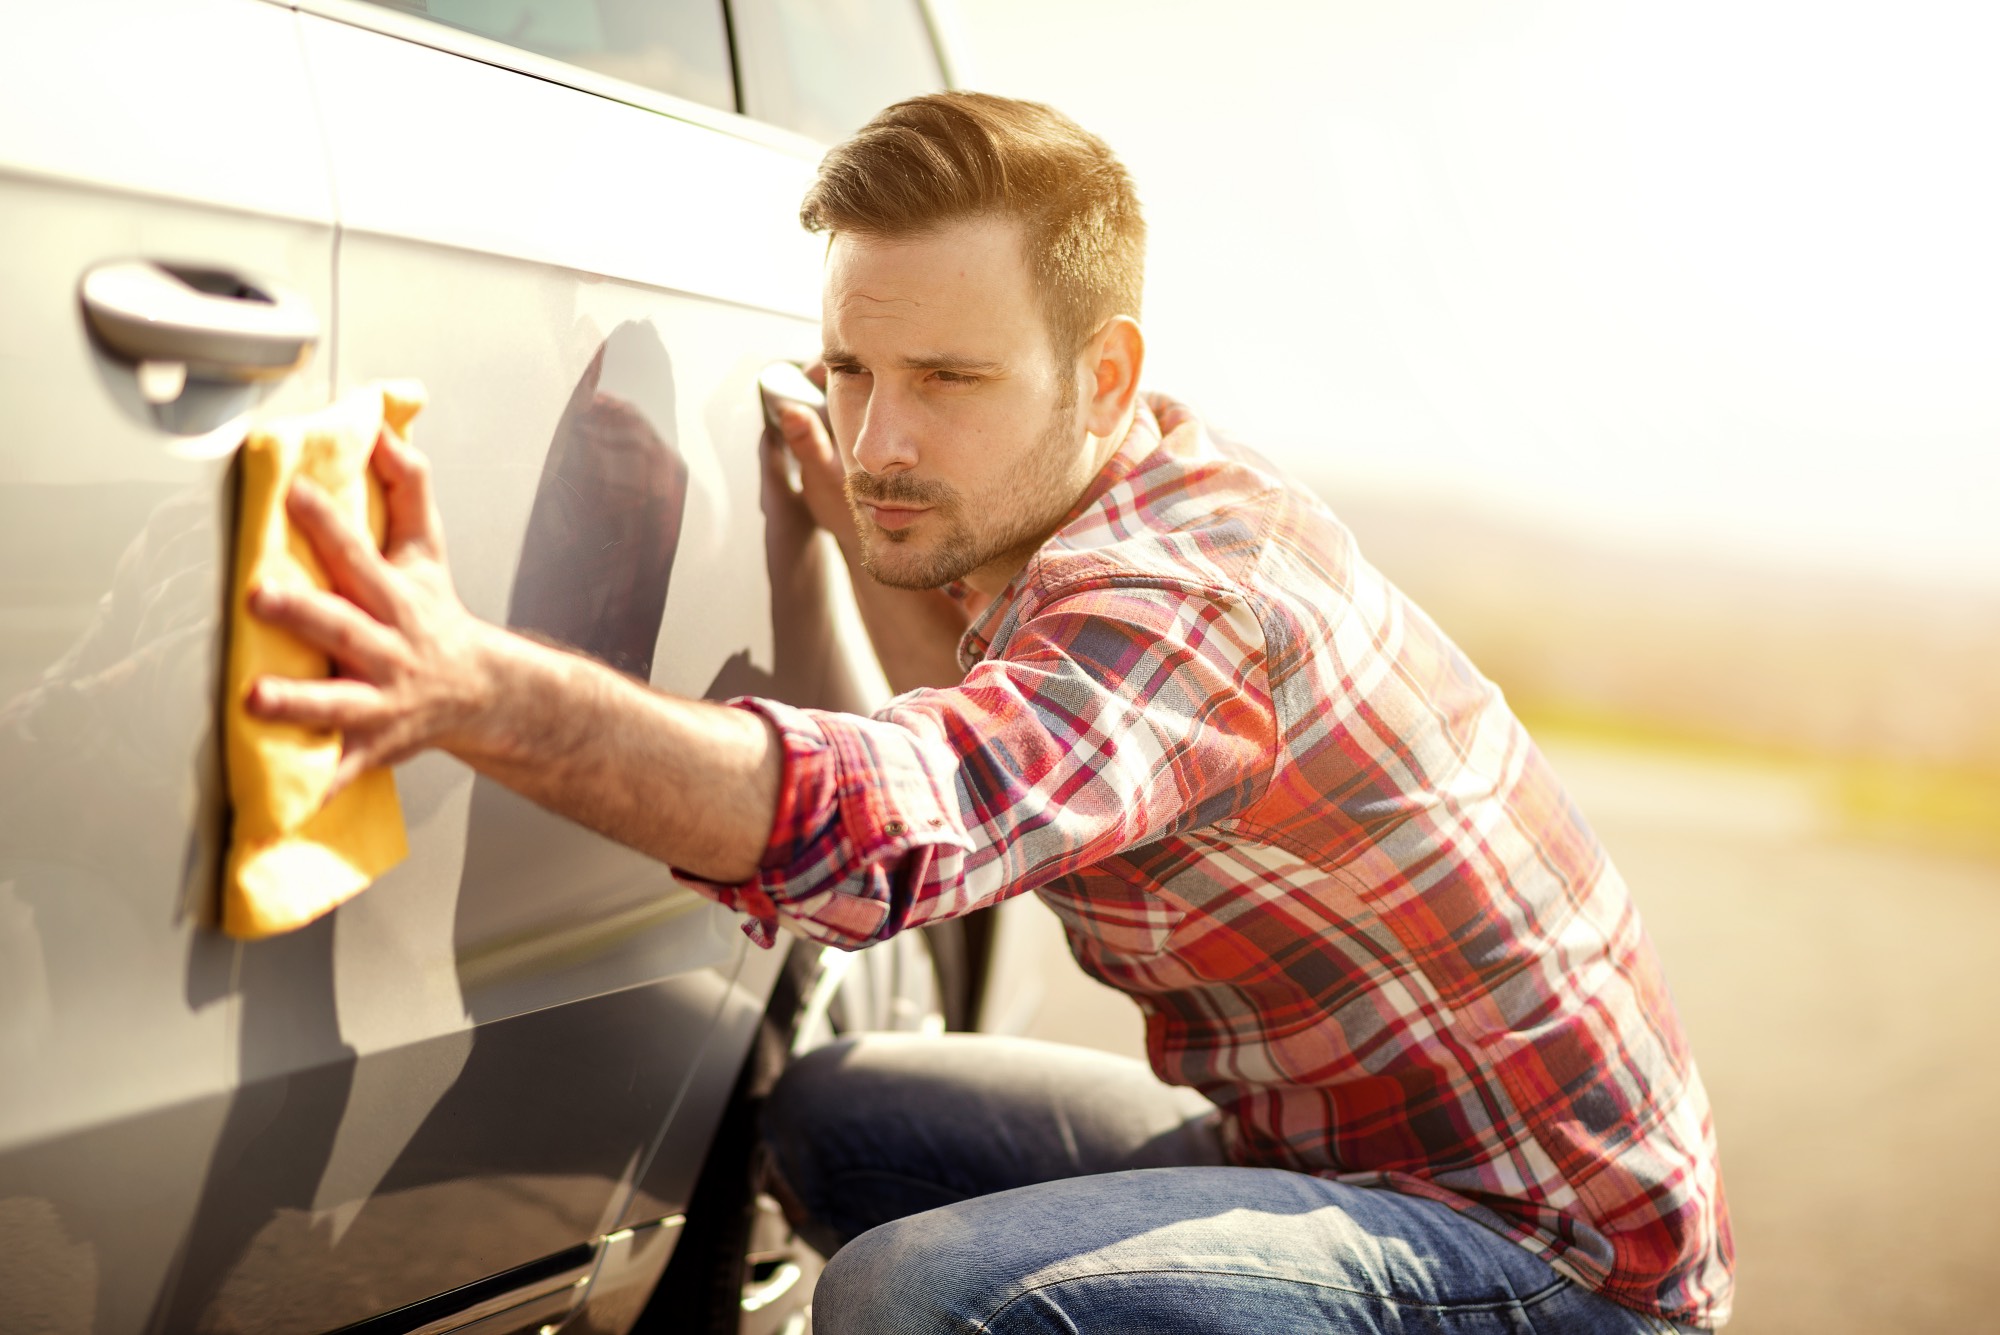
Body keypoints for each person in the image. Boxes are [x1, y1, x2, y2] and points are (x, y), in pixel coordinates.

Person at [247, 93, 1731, 1333]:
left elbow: (899, 825)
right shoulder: (1111, 502)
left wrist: (466, 680)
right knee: (837, 1115)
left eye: (948, 380)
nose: (880, 440)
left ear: (1108, 372)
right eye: (849, 371)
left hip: (1554, 1266)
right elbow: (982, 711)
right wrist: (862, 527)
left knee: (922, 1297)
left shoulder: (1185, 603)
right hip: (1323, 1148)